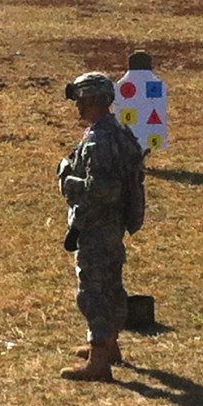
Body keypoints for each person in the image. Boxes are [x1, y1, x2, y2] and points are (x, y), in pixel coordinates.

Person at [57, 72, 142, 381]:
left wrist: (68, 181)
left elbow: (103, 189)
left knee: (92, 289)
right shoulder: (120, 132)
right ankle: (110, 345)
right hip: (114, 223)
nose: (78, 107)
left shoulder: (97, 140)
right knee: (112, 283)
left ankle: (99, 360)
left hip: (96, 223)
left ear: (93, 100)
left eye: (81, 101)